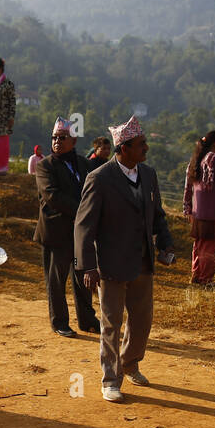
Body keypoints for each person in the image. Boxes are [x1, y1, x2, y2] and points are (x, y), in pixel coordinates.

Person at [73, 115, 174, 402]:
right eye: (142, 144)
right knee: (111, 324)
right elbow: (84, 225)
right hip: (111, 265)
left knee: (142, 321)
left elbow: (158, 216)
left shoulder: (149, 175)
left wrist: (165, 244)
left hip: (142, 262)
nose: (146, 149)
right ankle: (110, 378)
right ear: (124, 148)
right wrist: (88, 266)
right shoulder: (100, 179)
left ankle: (130, 363)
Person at [35, 118, 98, 338]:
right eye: (53, 138)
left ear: (74, 140)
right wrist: (84, 212)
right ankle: (59, 322)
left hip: (79, 233)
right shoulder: (45, 165)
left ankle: (87, 320)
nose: (56, 142)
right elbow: (52, 196)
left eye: (62, 138)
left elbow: (91, 190)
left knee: (82, 278)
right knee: (56, 279)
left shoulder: (83, 163)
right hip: (56, 231)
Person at [184, 130, 215, 285]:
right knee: (211, 247)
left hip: (198, 211)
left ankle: (197, 275)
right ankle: (206, 278)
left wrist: (187, 207)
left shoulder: (195, 159)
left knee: (199, 246)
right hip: (212, 212)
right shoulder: (214, 159)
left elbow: (187, 187)